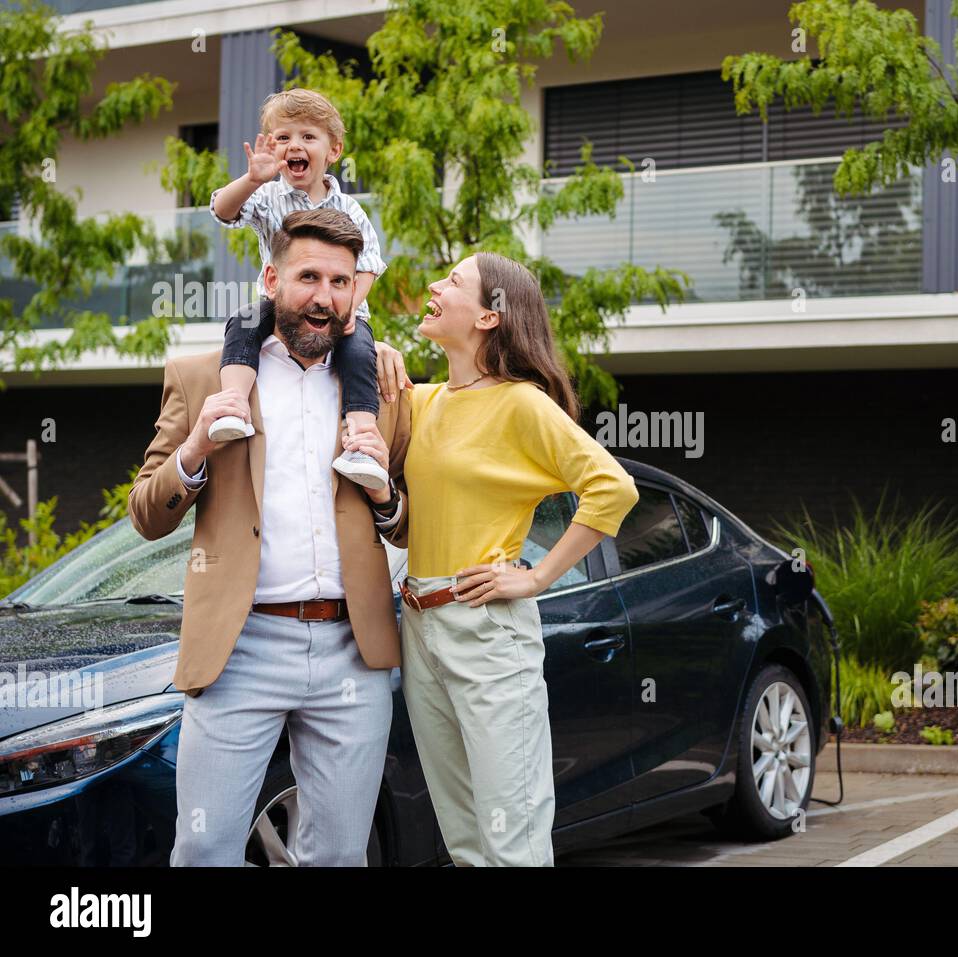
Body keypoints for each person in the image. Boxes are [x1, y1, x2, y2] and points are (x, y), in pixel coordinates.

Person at [129, 208, 410, 866]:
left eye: (341, 281)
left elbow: (410, 524)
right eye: (308, 276)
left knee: (340, 853)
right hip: (241, 647)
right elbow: (147, 513)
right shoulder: (203, 376)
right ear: (270, 277)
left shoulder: (385, 388)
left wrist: (384, 494)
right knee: (203, 846)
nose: (324, 296)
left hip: (353, 650)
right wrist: (197, 445)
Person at [373, 252, 639, 866]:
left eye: (454, 281)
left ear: (491, 316)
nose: (434, 287)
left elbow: (613, 487)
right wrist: (377, 351)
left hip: (487, 633)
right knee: (465, 841)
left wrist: (538, 576)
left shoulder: (521, 404)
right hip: (418, 623)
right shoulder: (426, 401)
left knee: (511, 838)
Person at [207, 88, 389, 490]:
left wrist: (348, 311)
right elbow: (223, 210)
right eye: (284, 137)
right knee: (244, 321)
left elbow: (370, 266)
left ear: (334, 150)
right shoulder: (267, 194)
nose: (295, 146)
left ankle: (360, 435)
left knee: (360, 352)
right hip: (281, 306)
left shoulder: (350, 209)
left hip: (342, 310)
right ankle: (234, 403)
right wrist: (253, 178)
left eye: (308, 137)